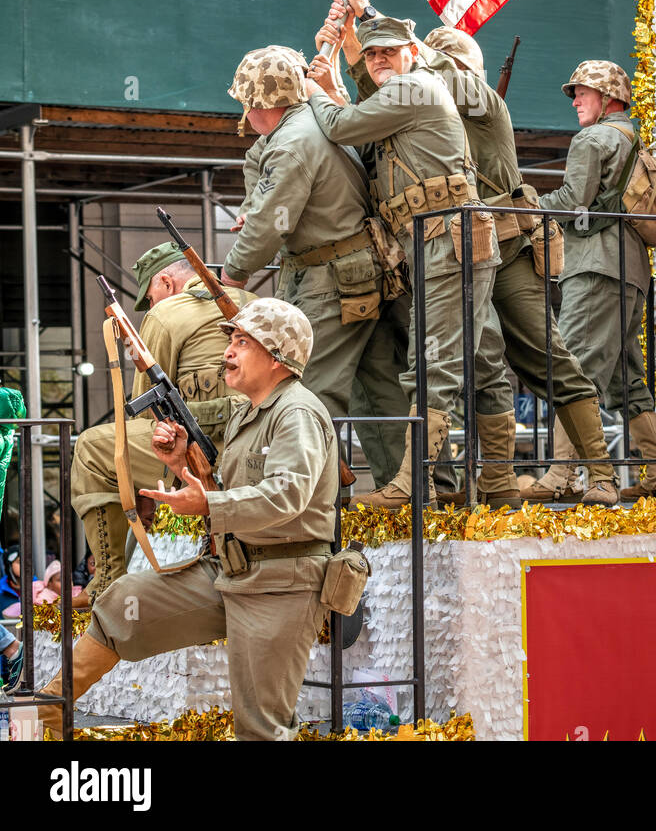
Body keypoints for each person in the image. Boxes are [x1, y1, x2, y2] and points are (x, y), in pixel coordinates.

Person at [323, 0, 618, 507]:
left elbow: (417, 74)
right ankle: (498, 483)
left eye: (431, 59)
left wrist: (370, 16)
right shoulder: (422, 104)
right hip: (464, 247)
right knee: (480, 361)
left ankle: (599, 472)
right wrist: (355, 43)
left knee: (544, 359)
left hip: (508, 250)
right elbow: (376, 101)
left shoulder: (473, 95)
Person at [38, 298, 337, 741]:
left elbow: (286, 496)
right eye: (231, 341)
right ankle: (45, 715)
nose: (227, 352)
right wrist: (182, 463)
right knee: (125, 604)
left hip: (281, 583)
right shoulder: (248, 412)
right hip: (231, 570)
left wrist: (207, 507)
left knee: (260, 727)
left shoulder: (297, 412)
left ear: (277, 358)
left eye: (242, 342)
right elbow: (224, 488)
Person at [306, 12, 514, 510]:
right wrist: (334, 79)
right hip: (436, 241)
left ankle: (418, 482)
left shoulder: (413, 89)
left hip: (446, 239)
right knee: (454, 360)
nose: (378, 61)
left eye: (388, 52)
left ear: (411, 52)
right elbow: (359, 123)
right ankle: (451, 482)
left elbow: (339, 126)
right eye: (372, 54)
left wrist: (315, 89)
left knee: (435, 362)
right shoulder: (400, 94)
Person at [220, 45, 411, 488]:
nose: (245, 113)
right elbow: (261, 173)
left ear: (259, 102)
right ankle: (408, 498)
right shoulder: (308, 127)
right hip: (358, 274)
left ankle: (312, 511)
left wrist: (232, 277)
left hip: (330, 281)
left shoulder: (292, 144)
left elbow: (268, 221)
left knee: (306, 392)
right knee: (376, 390)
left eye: (246, 102)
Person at [70, 243, 257, 601]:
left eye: (151, 297)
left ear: (168, 283)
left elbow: (148, 411)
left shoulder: (166, 313)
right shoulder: (252, 300)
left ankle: (107, 580)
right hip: (261, 433)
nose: (151, 307)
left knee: (92, 448)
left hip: (205, 442)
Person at [538, 62, 656, 500]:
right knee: (625, 378)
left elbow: (569, 200)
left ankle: (563, 471)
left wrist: (523, 202)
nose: (575, 101)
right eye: (574, 93)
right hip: (629, 271)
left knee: (571, 367)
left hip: (596, 270)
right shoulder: (630, 140)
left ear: (609, 99)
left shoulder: (592, 138)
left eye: (583, 92)